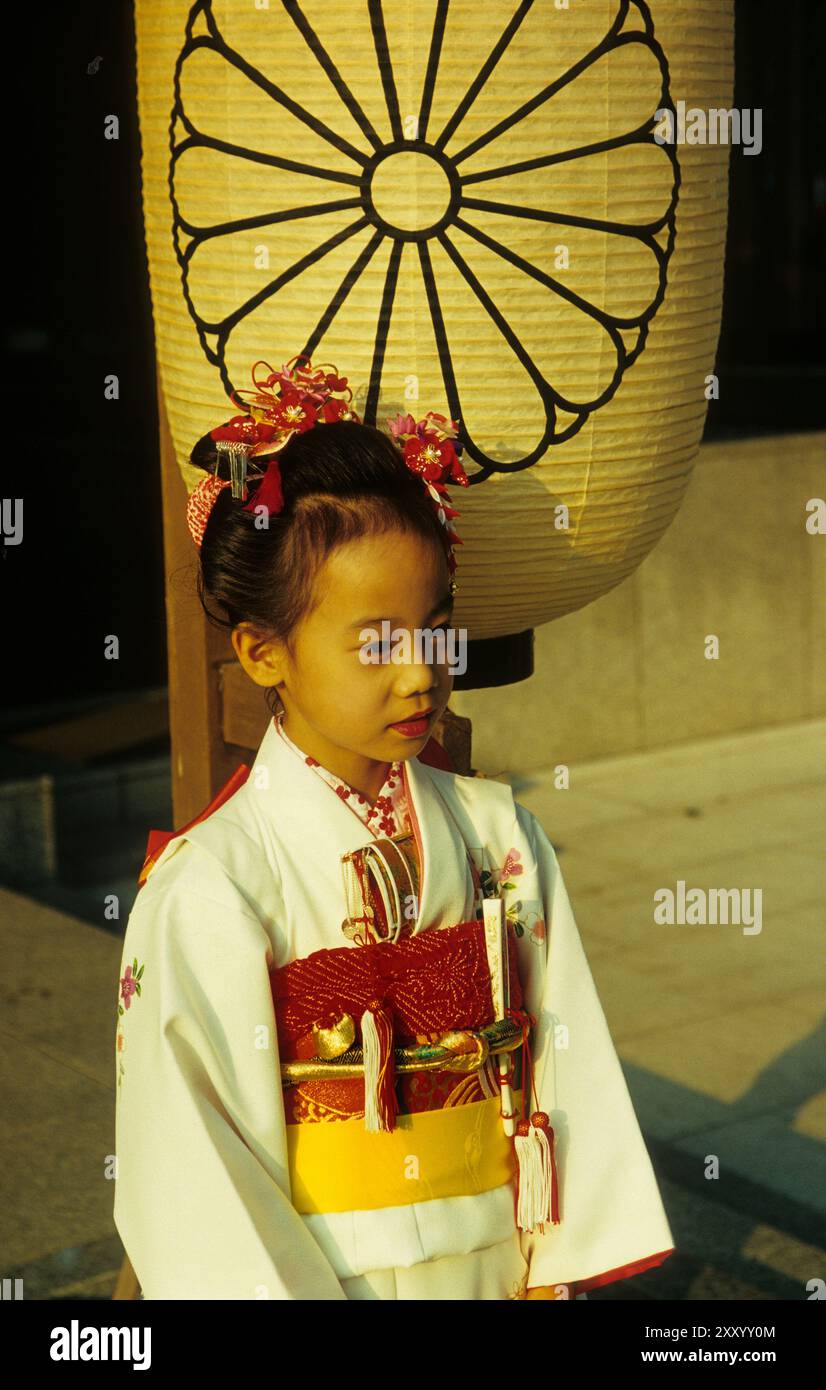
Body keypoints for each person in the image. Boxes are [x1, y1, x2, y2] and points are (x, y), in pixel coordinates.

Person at [113, 355, 675, 1300]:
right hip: (326, 1275)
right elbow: (195, 1162)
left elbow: (562, 1053)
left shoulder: (496, 836)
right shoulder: (214, 885)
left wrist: (555, 1266)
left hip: (501, 1262)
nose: (420, 674)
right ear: (264, 653)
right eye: (378, 643)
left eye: (434, 630)